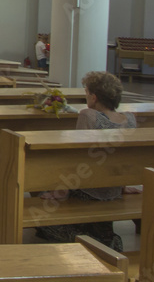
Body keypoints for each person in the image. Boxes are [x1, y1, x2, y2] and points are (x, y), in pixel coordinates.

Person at [34, 71, 135, 251]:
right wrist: (123, 184)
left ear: (94, 97)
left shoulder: (88, 115)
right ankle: (101, 237)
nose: (86, 96)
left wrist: (62, 191)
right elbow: (126, 156)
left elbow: (77, 156)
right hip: (114, 189)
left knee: (40, 217)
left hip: (88, 191)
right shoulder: (130, 119)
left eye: (87, 93)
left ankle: (96, 244)